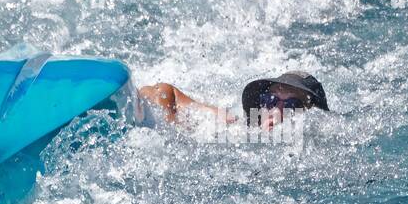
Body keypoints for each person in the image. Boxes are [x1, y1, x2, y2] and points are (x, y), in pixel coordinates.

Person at [137, 71, 330, 127]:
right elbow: (162, 91)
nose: (276, 112)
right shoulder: (231, 123)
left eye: (292, 105)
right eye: (270, 100)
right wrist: (173, 124)